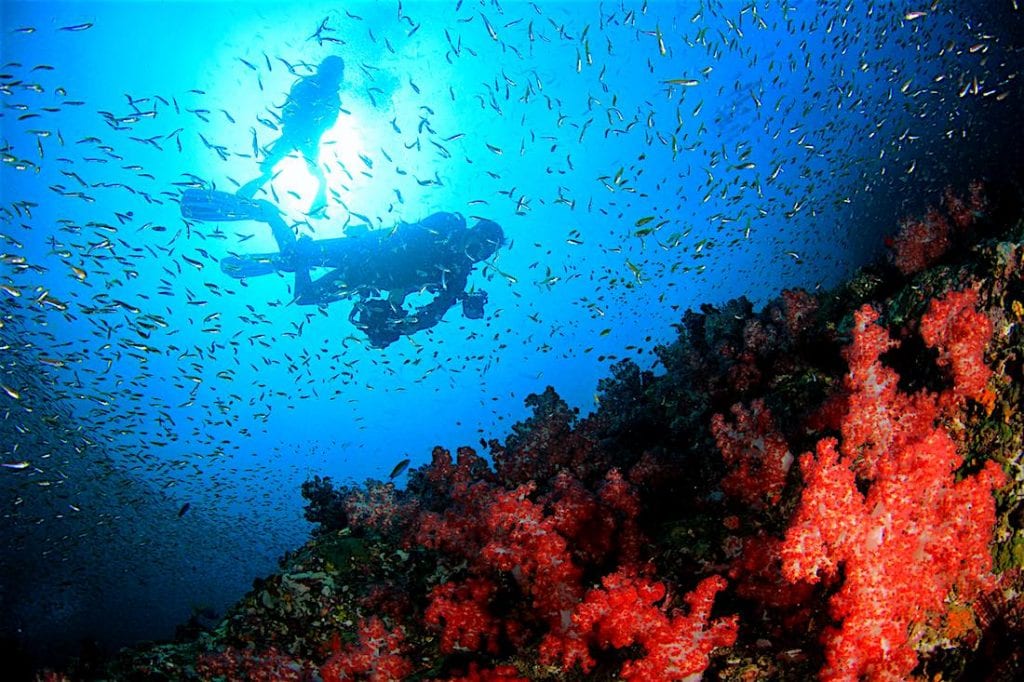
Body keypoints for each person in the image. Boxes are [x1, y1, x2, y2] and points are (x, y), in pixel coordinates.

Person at [180, 189, 504, 348]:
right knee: (297, 254)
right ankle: (268, 213)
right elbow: (409, 237)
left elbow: (433, 313)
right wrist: (400, 294)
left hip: (363, 278)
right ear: (472, 231)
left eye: (485, 253)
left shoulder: (458, 277)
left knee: (305, 295)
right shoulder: (448, 225)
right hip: (365, 250)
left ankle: (285, 252)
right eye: (478, 242)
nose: (477, 252)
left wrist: (400, 322)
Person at [237, 56, 345, 214]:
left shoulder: (316, 89)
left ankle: (320, 193)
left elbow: (290, 108)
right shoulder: (317, 90)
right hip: (302, 136)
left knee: (274, 165)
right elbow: (326, 121)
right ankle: (254, 188)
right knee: (270, 165)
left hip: (301, 136)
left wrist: (302, 124)